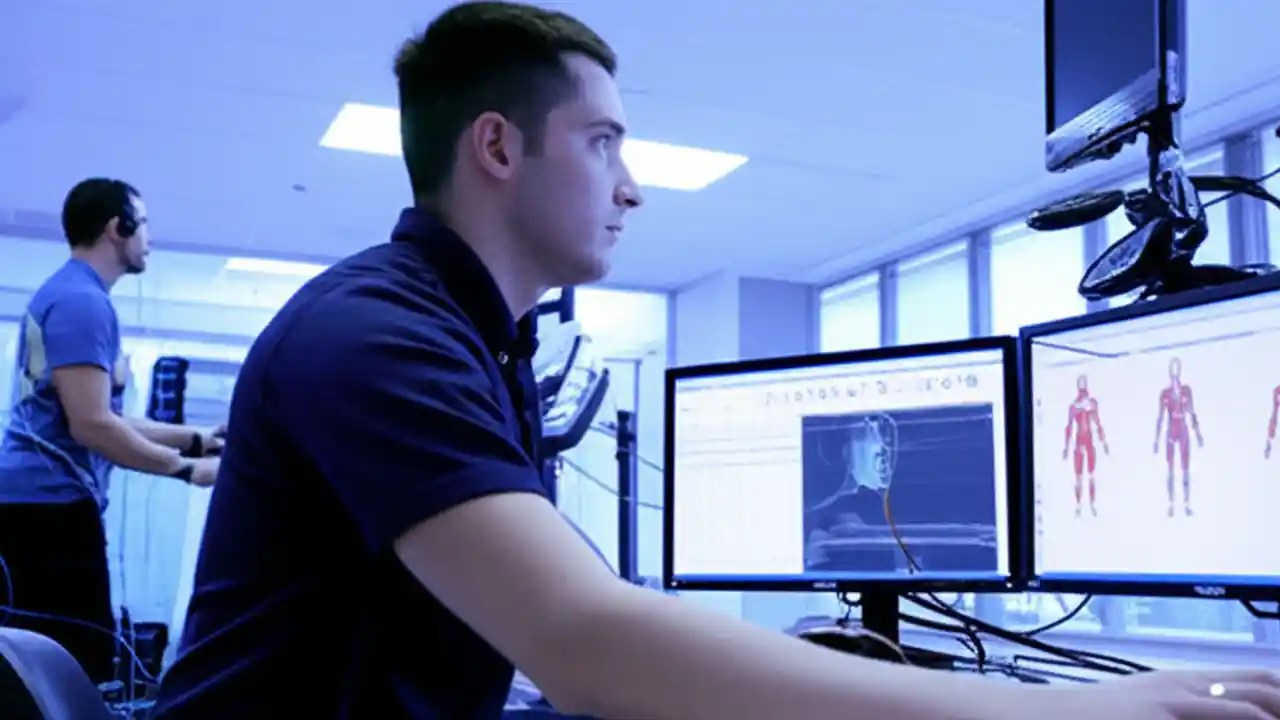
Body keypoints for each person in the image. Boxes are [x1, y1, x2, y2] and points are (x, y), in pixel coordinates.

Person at [152, 3, 1280, 718]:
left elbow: (573, 619)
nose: (630, 186)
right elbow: (584, 643)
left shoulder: (461, 338)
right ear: (495, 145)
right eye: (603, 145)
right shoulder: (378, 337)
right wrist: (1065, 710)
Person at [0, 178, 222, 684]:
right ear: (117, 228)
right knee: (76, 664)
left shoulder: (75, 295)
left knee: (57, 663)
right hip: (48, 512)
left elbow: (106, 417)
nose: (150, 239)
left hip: (42, 507)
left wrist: (197, 437)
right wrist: (187, 471)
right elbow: (93, 426)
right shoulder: (83, 303)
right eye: (143, 225)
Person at [1153, 357, 1203, 517]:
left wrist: (1198, 434)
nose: (1175, 374)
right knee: (1170, 469)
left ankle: (1186, 503)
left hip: (1183, 430)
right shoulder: (1165, 394)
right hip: (1171, 430)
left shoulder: (1186, 391)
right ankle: (1171, 503)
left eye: (1177, 369)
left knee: (1185, 468)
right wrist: (1156, 439)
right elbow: (1160, 417)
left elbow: (1192, 412)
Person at [1063, 374, 1108, 517]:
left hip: (1089, 442)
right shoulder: (1073, 407)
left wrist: (1104, 442)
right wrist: (1066, 446)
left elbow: (1098, 423)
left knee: (1091, 475)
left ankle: (1092, 504)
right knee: (1078, 477)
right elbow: (1069, 427)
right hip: (1079, 443)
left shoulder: (1092, 404)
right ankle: (1078, 504)